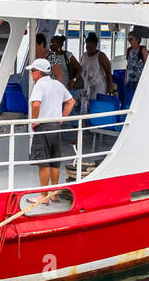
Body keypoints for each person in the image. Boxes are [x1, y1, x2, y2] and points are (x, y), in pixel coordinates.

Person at [27, 57, 75, 193]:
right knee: (55, 162)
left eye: (32, 71)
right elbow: (71, 101)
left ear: (38, 72)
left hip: (43, 127)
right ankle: (53, 194)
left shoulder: (39, 86)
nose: (32, 74)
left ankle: (43, 195)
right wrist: (61, 117)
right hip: (55, 127)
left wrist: (34, 121)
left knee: (43, 163)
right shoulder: (57, 84)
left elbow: (36, 104)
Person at [79, 32, 116, 112]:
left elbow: (108, 72)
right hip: (86, 85)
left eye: (92, 46)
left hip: (98, 86)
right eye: (88, 46)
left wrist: (110, 86)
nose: (89, 48)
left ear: (96, 45)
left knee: (96, 106)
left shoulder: (101, 56)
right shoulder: (84, 55)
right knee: (85, 107)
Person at [125, 31, 149, 100]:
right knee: (128, 98)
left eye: (131, 39)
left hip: (139, 80)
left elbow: (148, 65)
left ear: (137, 40)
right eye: (128, 39)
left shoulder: (143, 50)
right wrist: (126, 77)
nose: (129, 41)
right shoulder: (129, 50)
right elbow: (128, 64)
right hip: (130, 80)